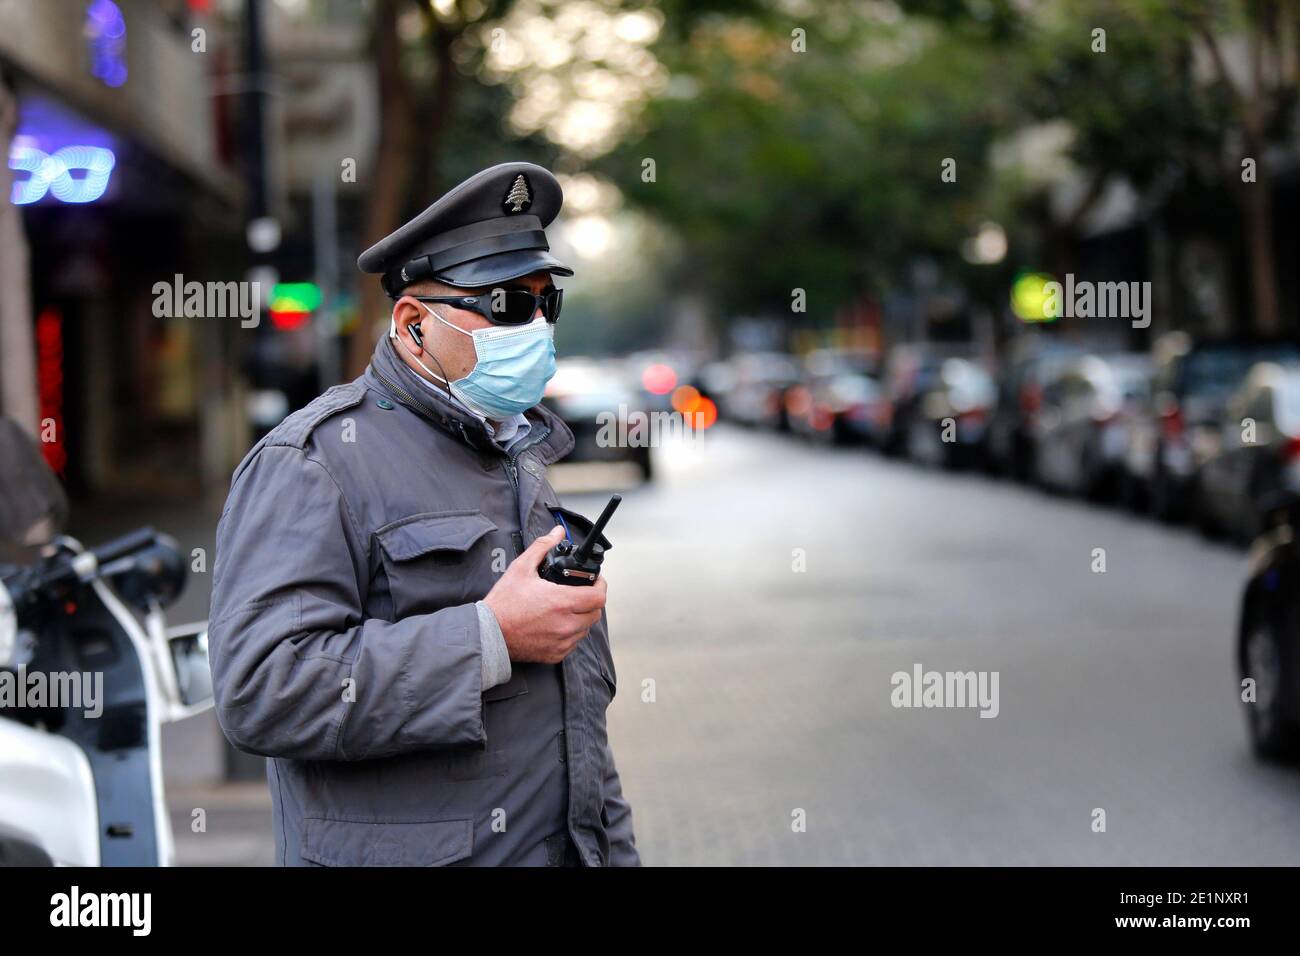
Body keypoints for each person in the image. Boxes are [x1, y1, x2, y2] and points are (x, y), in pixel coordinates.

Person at [207, 162, 639, 866]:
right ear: (413, 324)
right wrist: (489, 637)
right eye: (504, 304)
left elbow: (578, 731)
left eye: (543, 303)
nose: (532, 325)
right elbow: (263, 688)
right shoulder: (315, 461)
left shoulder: (518, 452)